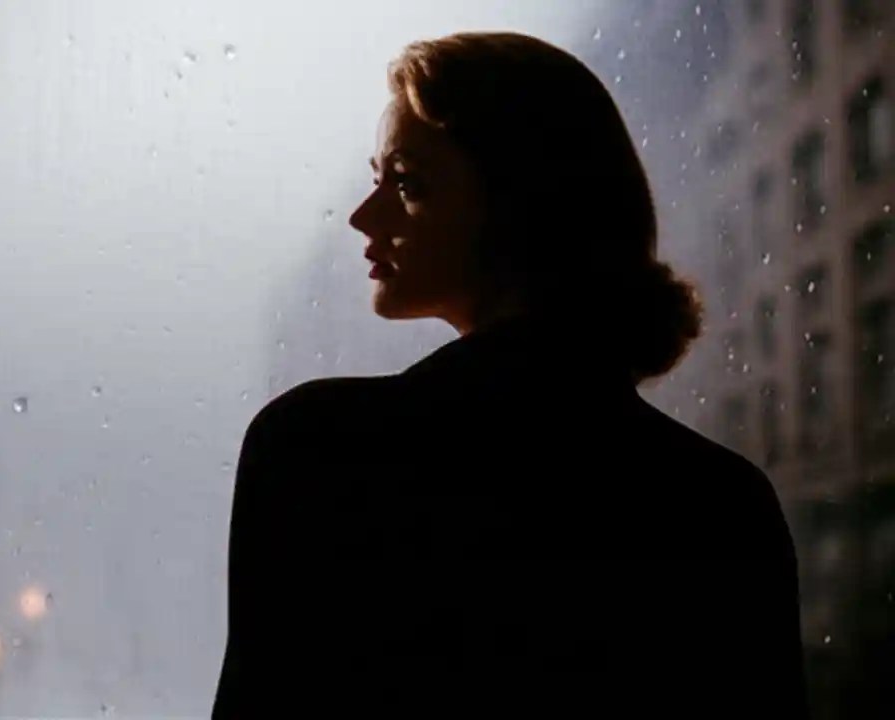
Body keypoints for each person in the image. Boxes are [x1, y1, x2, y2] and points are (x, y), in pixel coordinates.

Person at [211, 31, 808, 718]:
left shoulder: (318, 447)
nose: (362, 216)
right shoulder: (725, 502)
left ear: (522, 204)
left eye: (406, 183)